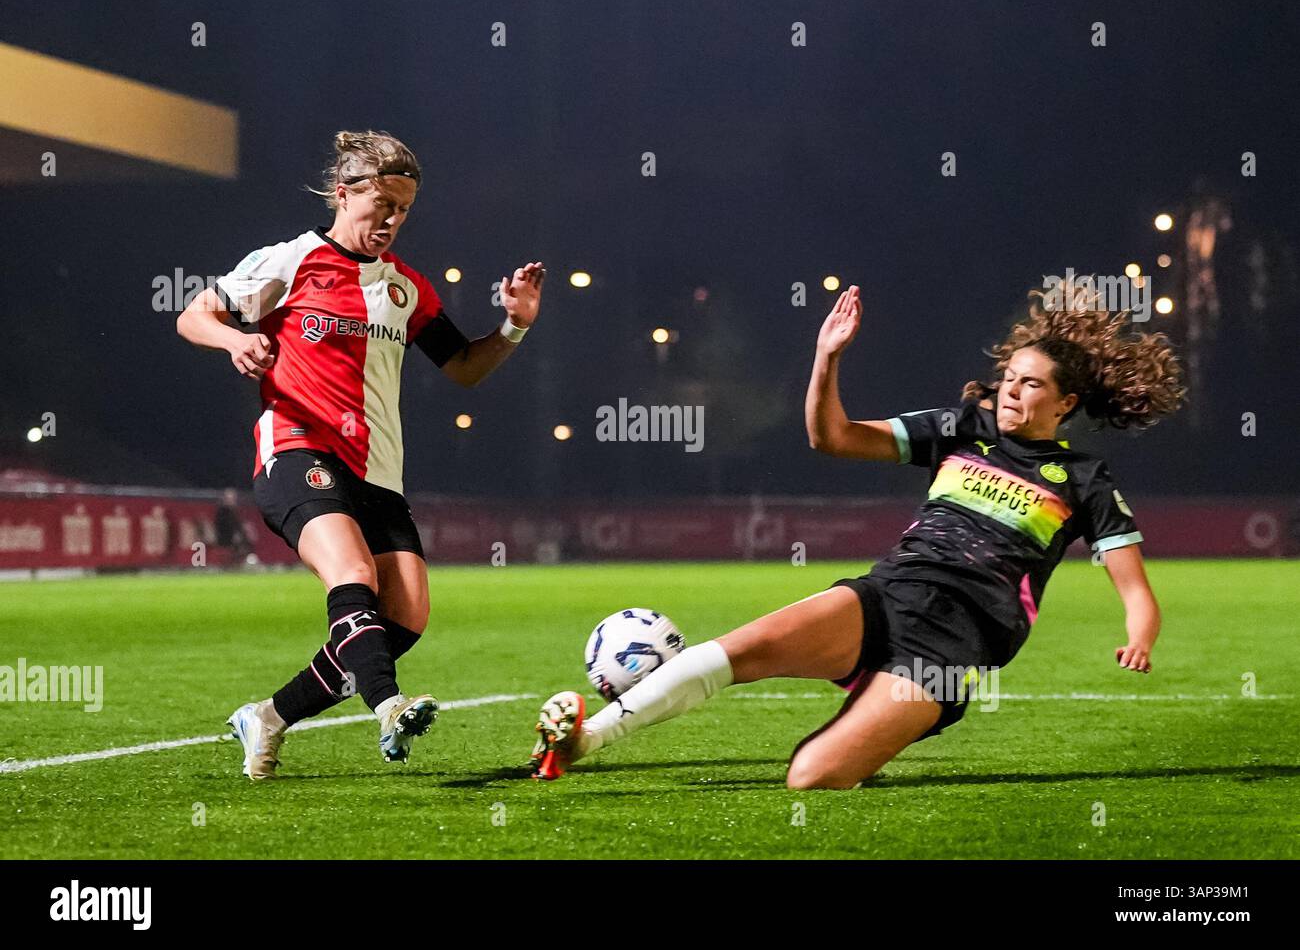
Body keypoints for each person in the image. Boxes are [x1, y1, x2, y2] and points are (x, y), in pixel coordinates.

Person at [530, 283, 1185, 787]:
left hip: (953, 647)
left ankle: (870, 733)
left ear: (1065, 403)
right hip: (885, 595)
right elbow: (831, 436)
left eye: (1031, 385)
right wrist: (827, 357)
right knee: (728, 655)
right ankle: (583, 740)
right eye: (1009, 378)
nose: (1012, 393)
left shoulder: (1081, 478)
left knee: (812, 776)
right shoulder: (963, 429)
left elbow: (1133, 586)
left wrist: (1139, 636)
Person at [177, 130, 545, 779]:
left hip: (377, 472)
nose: (393, 222)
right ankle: (387, 704)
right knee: (354, 576)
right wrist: (231, 341)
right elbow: (193, 315)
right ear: (345, 194)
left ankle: (266, 717)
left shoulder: (404, 289)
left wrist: (514, 325)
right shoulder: (289, 261)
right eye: (383, 206)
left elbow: (463, 367)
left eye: (404, 210)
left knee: (406, 615)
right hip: (296, 449)